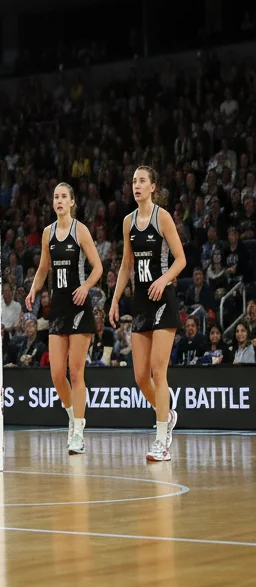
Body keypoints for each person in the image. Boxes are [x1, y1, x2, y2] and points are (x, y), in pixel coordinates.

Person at [110, 166, 187, 462]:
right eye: (133, 181)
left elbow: (181, 259)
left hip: (163, 300)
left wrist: (164, 279)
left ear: (153, 187)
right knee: (141, 377)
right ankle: (167, 414)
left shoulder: (162, 217)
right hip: (141, 302)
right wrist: (116, 299)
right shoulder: (128, 221)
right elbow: (126, 265)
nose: (136, 185)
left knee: (158, 370)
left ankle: (161, 440)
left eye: (142, 181)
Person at [26, 183, 103, 454]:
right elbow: (43, 268)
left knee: (76, 371)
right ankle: (73, 419)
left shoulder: (79, 230)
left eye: (64, 197)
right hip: (58, 309)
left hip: (79, 308)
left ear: (72, 202)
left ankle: (79, 431)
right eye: (56, 197)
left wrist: (85, 287)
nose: (59, 201)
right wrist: (34, 289)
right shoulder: (47, 233)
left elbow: (98, 267)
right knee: (57, 374)